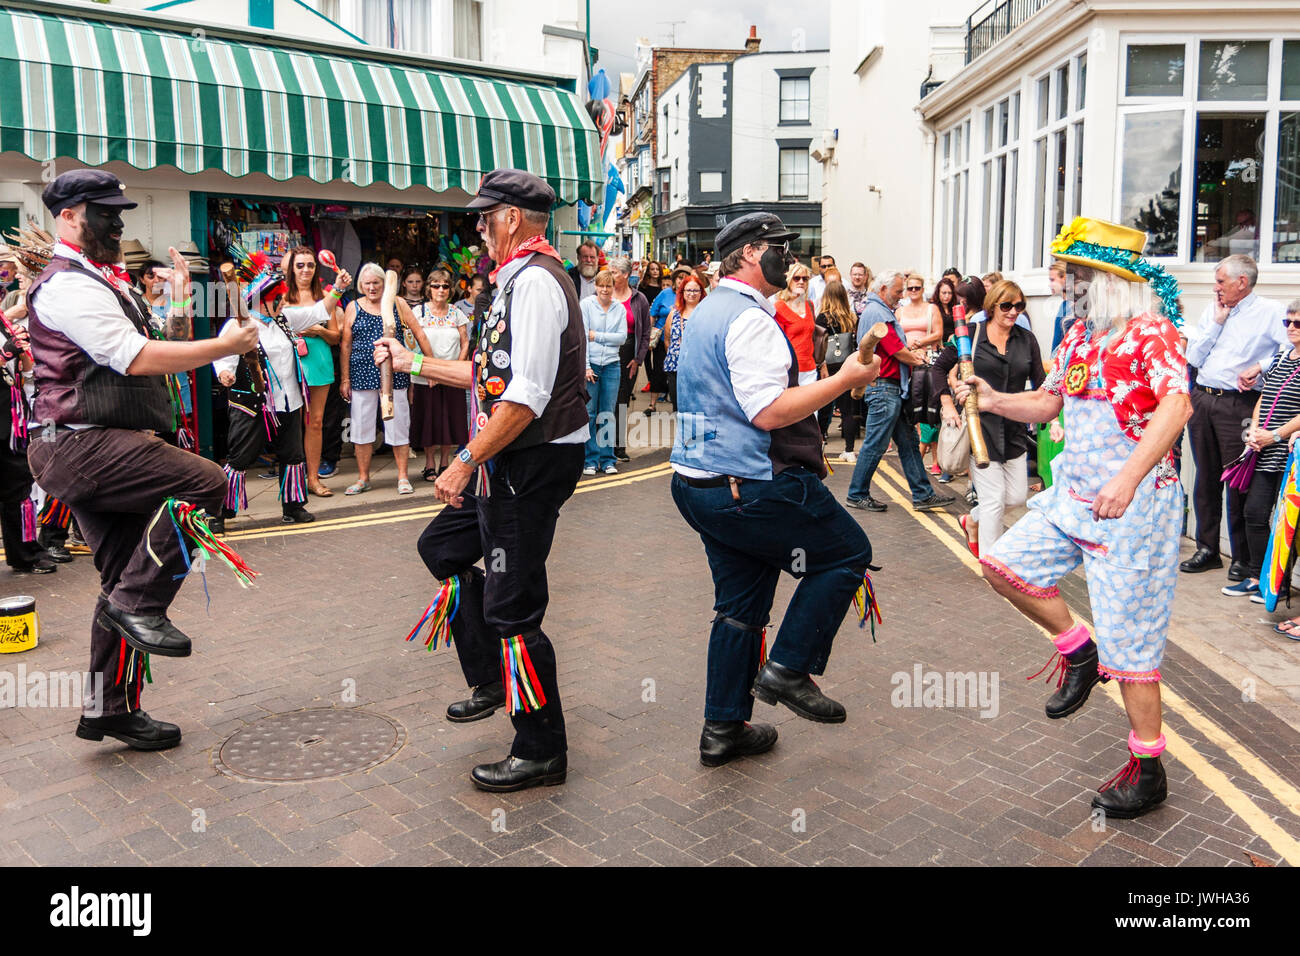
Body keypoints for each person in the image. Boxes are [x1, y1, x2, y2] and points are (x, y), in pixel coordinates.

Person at [958, 216, 1191, 819]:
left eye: (1078, 275)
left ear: (1112, 281)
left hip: (1134, 515)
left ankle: (1148, 769)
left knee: (1133, 650)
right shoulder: (1079, 337)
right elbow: (1048, 401)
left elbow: (1178, 405)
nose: (1066, 284)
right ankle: (1077, 649)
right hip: (1072, 500)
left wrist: (1128, 476)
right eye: (1067, 273)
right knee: (1001, 564)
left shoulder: (1152, 334)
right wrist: (991, 399)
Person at [26, 169, 260, 750]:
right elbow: (132, 358)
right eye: (105, 213)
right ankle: (139, 604)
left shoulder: (105, 281)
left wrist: (182, 305)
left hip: (94, 449)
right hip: (82, 446)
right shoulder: (68, 286)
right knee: (209, 486)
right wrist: (225, 348)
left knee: (118, 577)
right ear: (69, 215)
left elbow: (161, 344)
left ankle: (109, 710)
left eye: (119, 212)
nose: (117, 221)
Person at [381, 168, 589, 792]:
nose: (476, 227)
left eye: (484, 215)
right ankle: (493, 679)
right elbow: (487, 372)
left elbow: (524, 396)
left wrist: (464, 460)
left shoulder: (535, 285)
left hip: (528, 461)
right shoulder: (515, 281)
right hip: (509, 457)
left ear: (513, 219)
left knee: (513, 607)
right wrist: (414, 361)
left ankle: (541, 747)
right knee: (440, 548)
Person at [670, 213, 880, 767]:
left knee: (739, 608)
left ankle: (724, 729)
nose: (790, 260)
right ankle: (788, 668)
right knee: (848, 553)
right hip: (749, 487)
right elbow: (765, 412)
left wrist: (817, 378)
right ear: (746, 254)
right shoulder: (749, 318)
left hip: (699, 486)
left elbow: (743, 389)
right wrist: (845, 382)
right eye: (779, 249)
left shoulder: (710, 311)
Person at [1181, 254, 1286, 580]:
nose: (1215, 288)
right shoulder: (1213, 308)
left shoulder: (1271, 312)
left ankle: (1242, 556)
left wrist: (1261, 367)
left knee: (1238, 481)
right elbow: (1193, 355)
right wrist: (1217, 321)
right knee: (1205, 477)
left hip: (1239, 405)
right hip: (1203, 398)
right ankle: (1208, 548)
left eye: (1221, 282)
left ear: (1242, 282)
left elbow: (1289, 352)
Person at [212, 241, 329, 530]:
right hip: (253, 404)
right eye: (277, 298)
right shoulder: (240, 324)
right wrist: (224, 373)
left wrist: (337, 288)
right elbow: (222, 354)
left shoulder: (284, 321)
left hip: (288, 401)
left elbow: (318, 313)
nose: (281, 302)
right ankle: (220, 512)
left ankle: (293, 506)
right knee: (240, 458)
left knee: (292, 455)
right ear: (260, 300)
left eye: (281, 298)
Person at [935, 280, 1045, 556]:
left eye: (1019, 306)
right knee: (994, 502)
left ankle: (972, 520)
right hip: (980, 427)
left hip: (1015, 427)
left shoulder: (1026, 339)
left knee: (1017, 496)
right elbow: (938, 369)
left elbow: (1041, 383)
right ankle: (991, 563)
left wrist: (1050, 418)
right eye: (1006, 306)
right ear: (992, 306)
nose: (1013, 312)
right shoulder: (970, 335)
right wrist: (947, 404)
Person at [845, 271, 955, 513]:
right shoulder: (877, 312)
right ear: (883, 290)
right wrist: (919, 361)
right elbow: (896, 350)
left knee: (908, 442)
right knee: (876, 443)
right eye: (897, 291)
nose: (901, 296)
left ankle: (923, 494)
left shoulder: (877, 310)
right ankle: (857, 493)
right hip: (884, 387)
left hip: (889, 387)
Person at [340, 263, 433, 496]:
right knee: (361, 428)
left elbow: (419, 333)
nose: (372, 287)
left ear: (384, 283)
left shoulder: (397, 303)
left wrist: (431, 366)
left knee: (398, 425)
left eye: (376, 283)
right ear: (360, 285)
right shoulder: (353, 306)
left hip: (395, 374)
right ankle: (363, 478)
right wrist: (345, 379)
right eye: (367, 283)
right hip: (361, 373)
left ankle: (402, 476)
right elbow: (346, 344)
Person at [1230, 299, 1300, 607]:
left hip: (1288, 453)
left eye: (1298, 323)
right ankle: (1261, 575)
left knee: (1289, 522)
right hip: (1263, 449)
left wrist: (1274, 435)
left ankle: (1278, 582)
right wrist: (1254, 434)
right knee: (1254, 514)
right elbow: (1264, 396)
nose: (1291, 328)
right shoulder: (1283, 356)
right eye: (1288, 323)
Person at [280, 246, 346, 498]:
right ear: (291, 269)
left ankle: (312, 478)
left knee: (315, 421)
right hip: (288, 361)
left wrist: (318, 331)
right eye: (300, 265)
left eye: (310, 265)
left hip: (318, 362)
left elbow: (335, 336)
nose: (306, 269)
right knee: (290, 421)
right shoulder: (282, 297)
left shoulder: (324, 297)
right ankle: (291, 476)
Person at [409, 268, 470, 481]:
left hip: (451, 376)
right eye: (436, 285)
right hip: (426, 376)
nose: (441, 290)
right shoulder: (419, 312)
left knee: (449, 420)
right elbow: (414, 342)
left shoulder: (456, 312)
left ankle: (445, 462)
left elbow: (465, 342)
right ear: (429, 289)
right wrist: (430, 370)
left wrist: (458, 368)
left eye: (445, 286)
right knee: (429, 420)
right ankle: (429, 464)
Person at [896, 273, 944, 475]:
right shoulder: (900, 311)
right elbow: (897, 334)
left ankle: (934, 459)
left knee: (928, 406)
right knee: (910, 405)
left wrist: (919, 343)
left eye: (917, 288)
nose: (913, 291)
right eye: (910, 288)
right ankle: (915, 449)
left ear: (923, 289)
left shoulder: (931, 308)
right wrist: (907, 348)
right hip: (906, 362)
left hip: (927, 361)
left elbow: (938, 333)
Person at [580, 269, 626, 475]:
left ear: (613, 287)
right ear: (596, 287)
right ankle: (591, 460)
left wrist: (596, 335)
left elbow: (622, 338)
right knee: (590, 413)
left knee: (607, 413)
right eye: (601, 286)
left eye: (609, 286)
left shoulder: (620, 309)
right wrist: (586, 367)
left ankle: (608, 460)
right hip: (592, 366)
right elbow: (583, 337)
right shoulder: (586, 306)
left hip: (611, 364)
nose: (605, 290)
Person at [610, 257, 650, 461]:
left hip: (628, 354)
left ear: (625, 275)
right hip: (605, 351)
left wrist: (638, 359)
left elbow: (645, 334)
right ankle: (601, 448)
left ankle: (618, 447)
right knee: (604, 400)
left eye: (614, 272)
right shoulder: (602, 294)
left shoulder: (639, 299)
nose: (611, 275)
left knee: (621, 400)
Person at [815, 278, 860, 460]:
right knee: (847, 410)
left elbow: (818, 345)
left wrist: (821, 366)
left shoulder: (822, 317)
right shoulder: (850, 317)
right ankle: (849, 450)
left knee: (824, 408)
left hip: (828, 367)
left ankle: (820, 444)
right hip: (847, 366)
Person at [663, 270, 704, 410]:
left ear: (701, 292)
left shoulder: (705, 314)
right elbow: (667, 340)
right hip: (675, 367)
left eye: (695, 290)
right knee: (678, 407)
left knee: (695, 408)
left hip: (698, 369)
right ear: (682, 292)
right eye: (688, 290)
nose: (692, 293)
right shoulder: (674, 314)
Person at [773, 263, 818, 386]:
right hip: (789, 370)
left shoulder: (810, 305)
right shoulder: (779, 307)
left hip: (810, 368)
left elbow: (812, 338)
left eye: (805, 278)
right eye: (796, 278)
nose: (801, 282)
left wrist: (822, 364)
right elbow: (777, 343)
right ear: (788, 280)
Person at [1047, 260, 1073, 353]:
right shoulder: (1064, 305)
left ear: (1065, 278)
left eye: (1052, 280)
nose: (1050, 285)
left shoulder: (1071, 308)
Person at [930, 275, 957, 345]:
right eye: (944, 293)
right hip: (937, 345)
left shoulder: (955, 307)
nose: (947, 296)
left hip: (953, 344)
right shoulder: (932, 307)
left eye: (950, 293)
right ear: (938, 293)